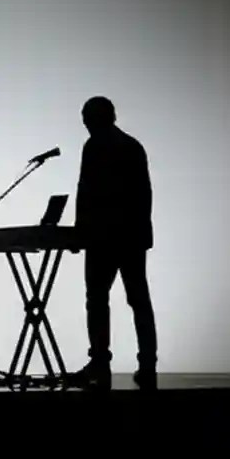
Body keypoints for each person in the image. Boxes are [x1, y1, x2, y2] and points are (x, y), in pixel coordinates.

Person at [70, 96, 158, 389]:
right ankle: (147, 364)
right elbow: (144, 196)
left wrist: (80, 232)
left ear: (98, 118)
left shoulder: (94, 147)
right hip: (128, 238)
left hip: (103, 239)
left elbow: (86, 192)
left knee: (97, 300)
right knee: (137, 301)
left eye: (87, 117)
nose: (84, 123)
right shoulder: (131, 146)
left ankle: (100, 363)